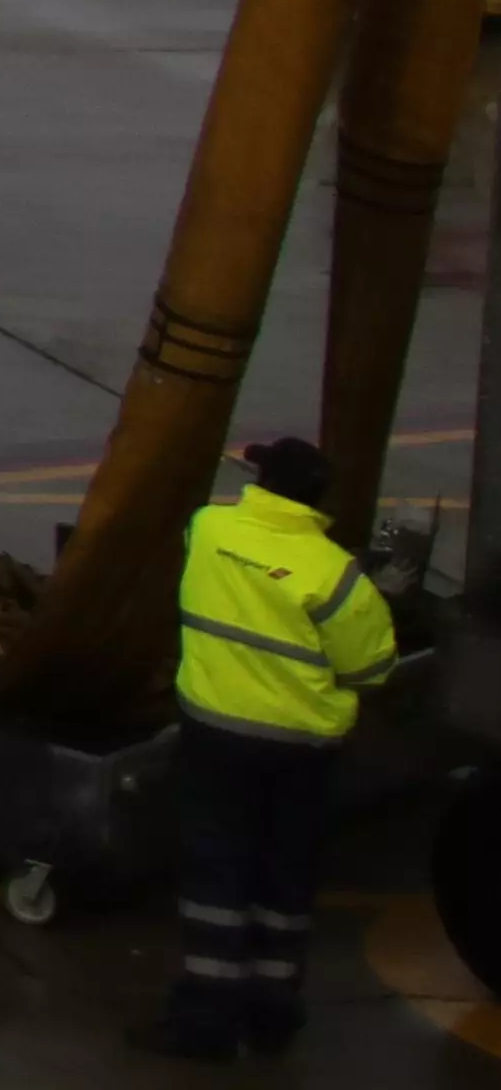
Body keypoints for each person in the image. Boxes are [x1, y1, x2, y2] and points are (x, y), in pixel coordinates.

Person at [139, 434, 395, 1061]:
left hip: (218, 737)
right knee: (285, 874)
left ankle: (205, 1019)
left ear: (259, 482)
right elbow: (374, 668)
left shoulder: (211, 528)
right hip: (304, 750)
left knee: (216, 874)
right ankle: (273, 1009)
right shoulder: (335, 574)